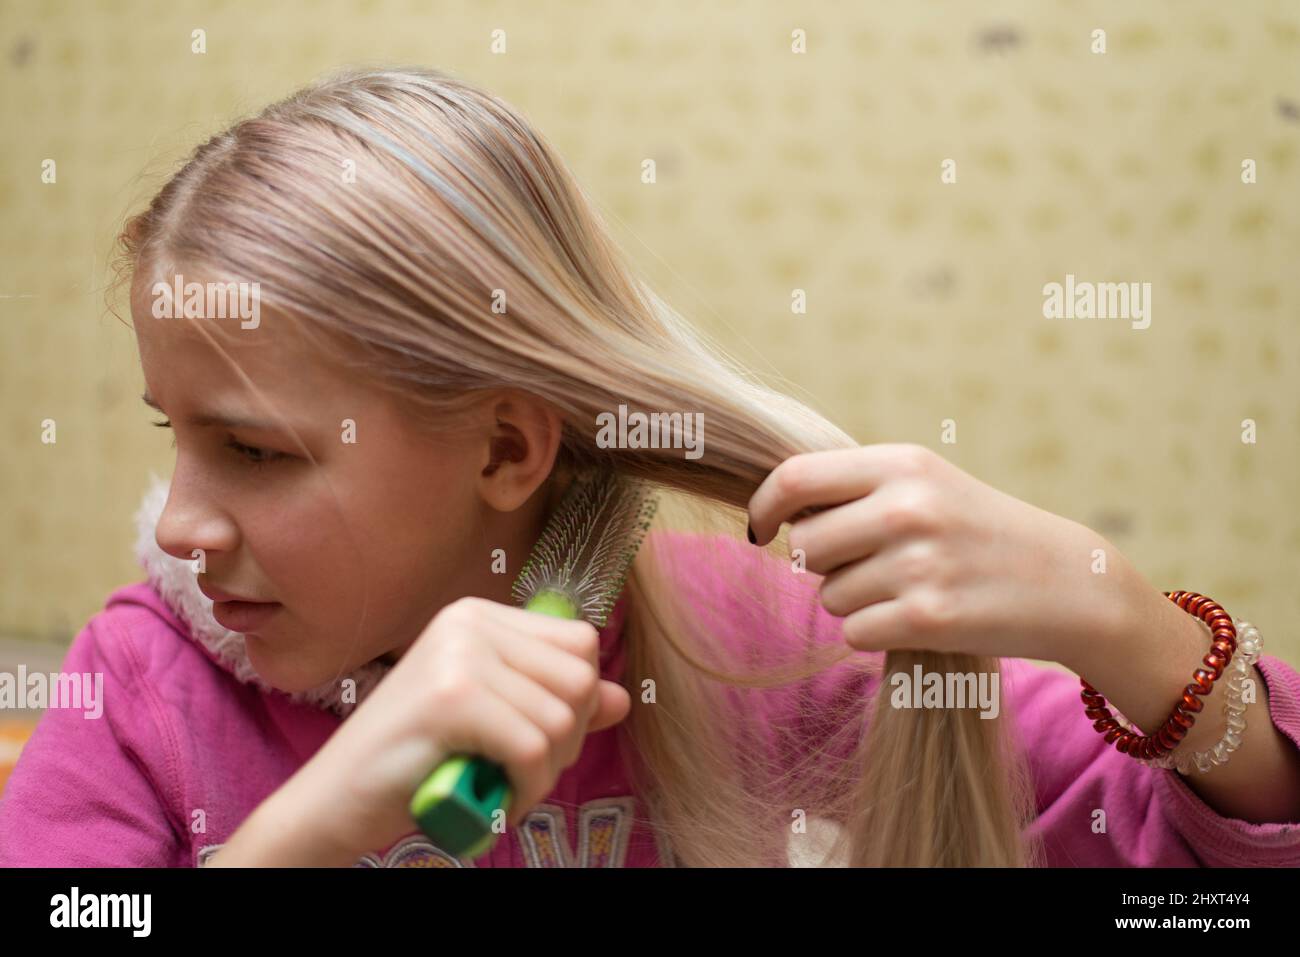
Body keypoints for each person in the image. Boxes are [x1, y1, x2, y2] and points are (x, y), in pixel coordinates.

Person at [2, 66, 1297, 867]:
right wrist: (314, 826)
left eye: (254, 452)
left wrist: (1130, 626)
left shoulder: (760, 647)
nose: (180, 523)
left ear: (507, 445)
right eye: (176, 436)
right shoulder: (136, 690)